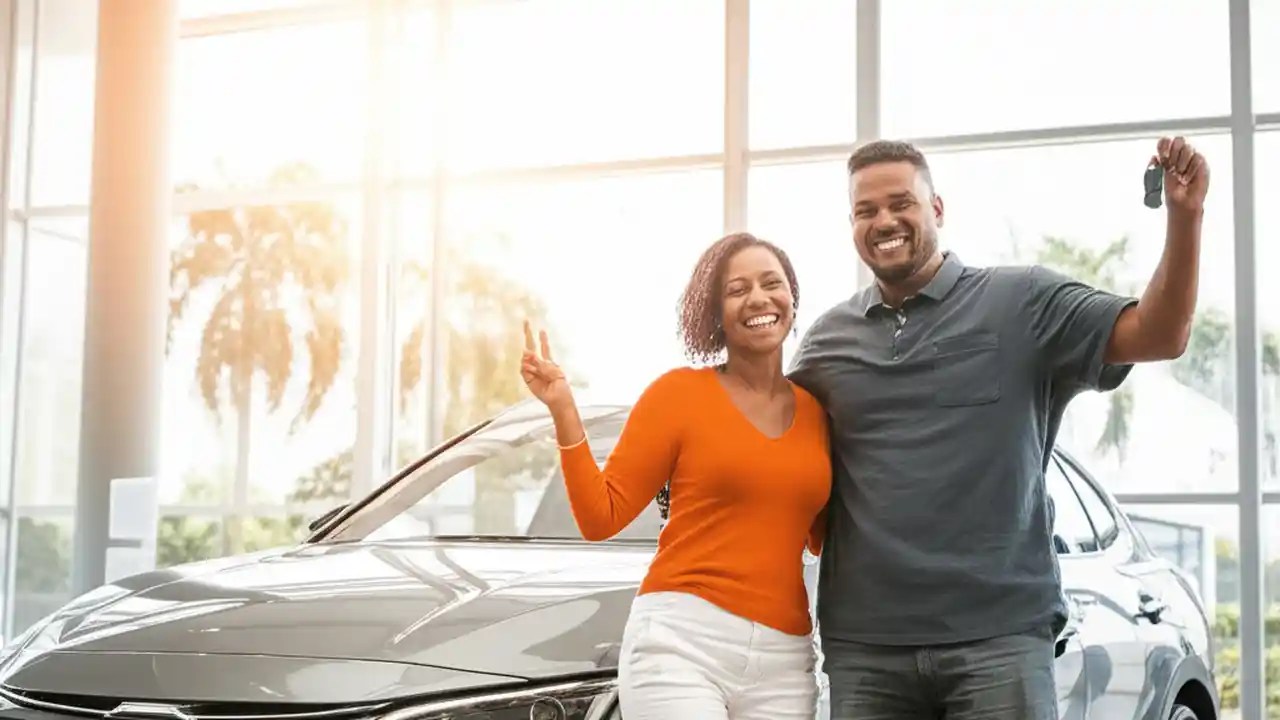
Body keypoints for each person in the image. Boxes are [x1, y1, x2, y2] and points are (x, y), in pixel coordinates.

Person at [788, 136, 1208, 719]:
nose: (884, 220)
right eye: (866, 210)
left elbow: (1161, 333)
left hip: (999, 642)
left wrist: (1185, 217)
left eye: (901, 203)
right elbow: (774, 452)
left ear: (936, 209)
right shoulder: (827, 342)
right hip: (866, 651)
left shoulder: (1022, 301)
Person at [520, 232, 832, 719]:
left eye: (772, 282)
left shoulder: (818, 413)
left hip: (785, 657)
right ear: (715, 313)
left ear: (792, 296)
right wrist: (562, 406)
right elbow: (600, 516)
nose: (758, 298)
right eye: (737, 289)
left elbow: (822, 537)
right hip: (681, 643)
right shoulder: (678, 395)